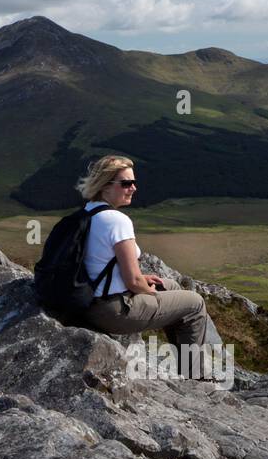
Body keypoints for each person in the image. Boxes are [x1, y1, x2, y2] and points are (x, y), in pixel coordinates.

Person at [74, 154, 221, 379]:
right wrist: (148, 290)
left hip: (88, 302)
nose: (133, 188)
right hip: (112, 311)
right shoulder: (117, 221)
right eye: (126, 183)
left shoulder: (88, 213)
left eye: (133, 182)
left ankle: (185, 365)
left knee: (168, 285)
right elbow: (133, 281)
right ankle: (196, 378)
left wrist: (147, 283)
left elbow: (101, 263)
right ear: (105, 186)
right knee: (195, 304)